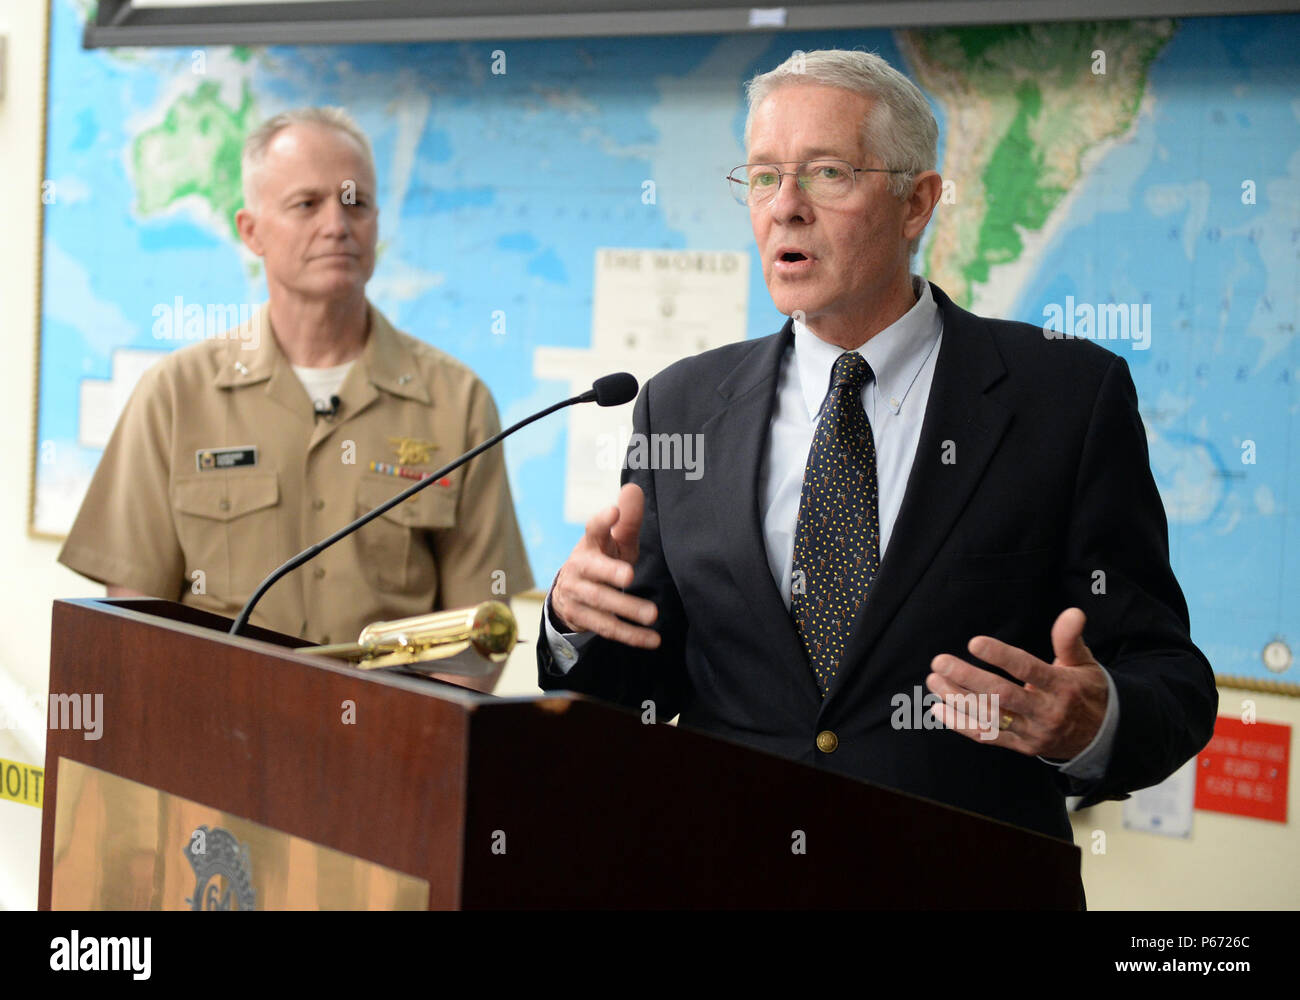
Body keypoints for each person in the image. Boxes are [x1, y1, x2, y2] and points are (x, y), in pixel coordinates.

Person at [539, 50, 1217, 857]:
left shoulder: (1066, 397)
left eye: (826, 173)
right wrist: (575, 626)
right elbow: (641, 688)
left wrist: (1092, 722)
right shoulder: (680, 404)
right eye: (761, 177)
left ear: (916, 203)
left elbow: (1167, 673)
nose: (784, 208)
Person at [59, 107, 532, 692]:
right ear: (251, 230)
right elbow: (135, 622)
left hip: (391, 754)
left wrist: (418, 755)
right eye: (307, 204)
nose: (337, 224)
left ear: (377, 224)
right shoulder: (175, 396)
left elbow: (477, 639)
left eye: (355, 204)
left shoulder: (457, 403)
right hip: (215, 745)